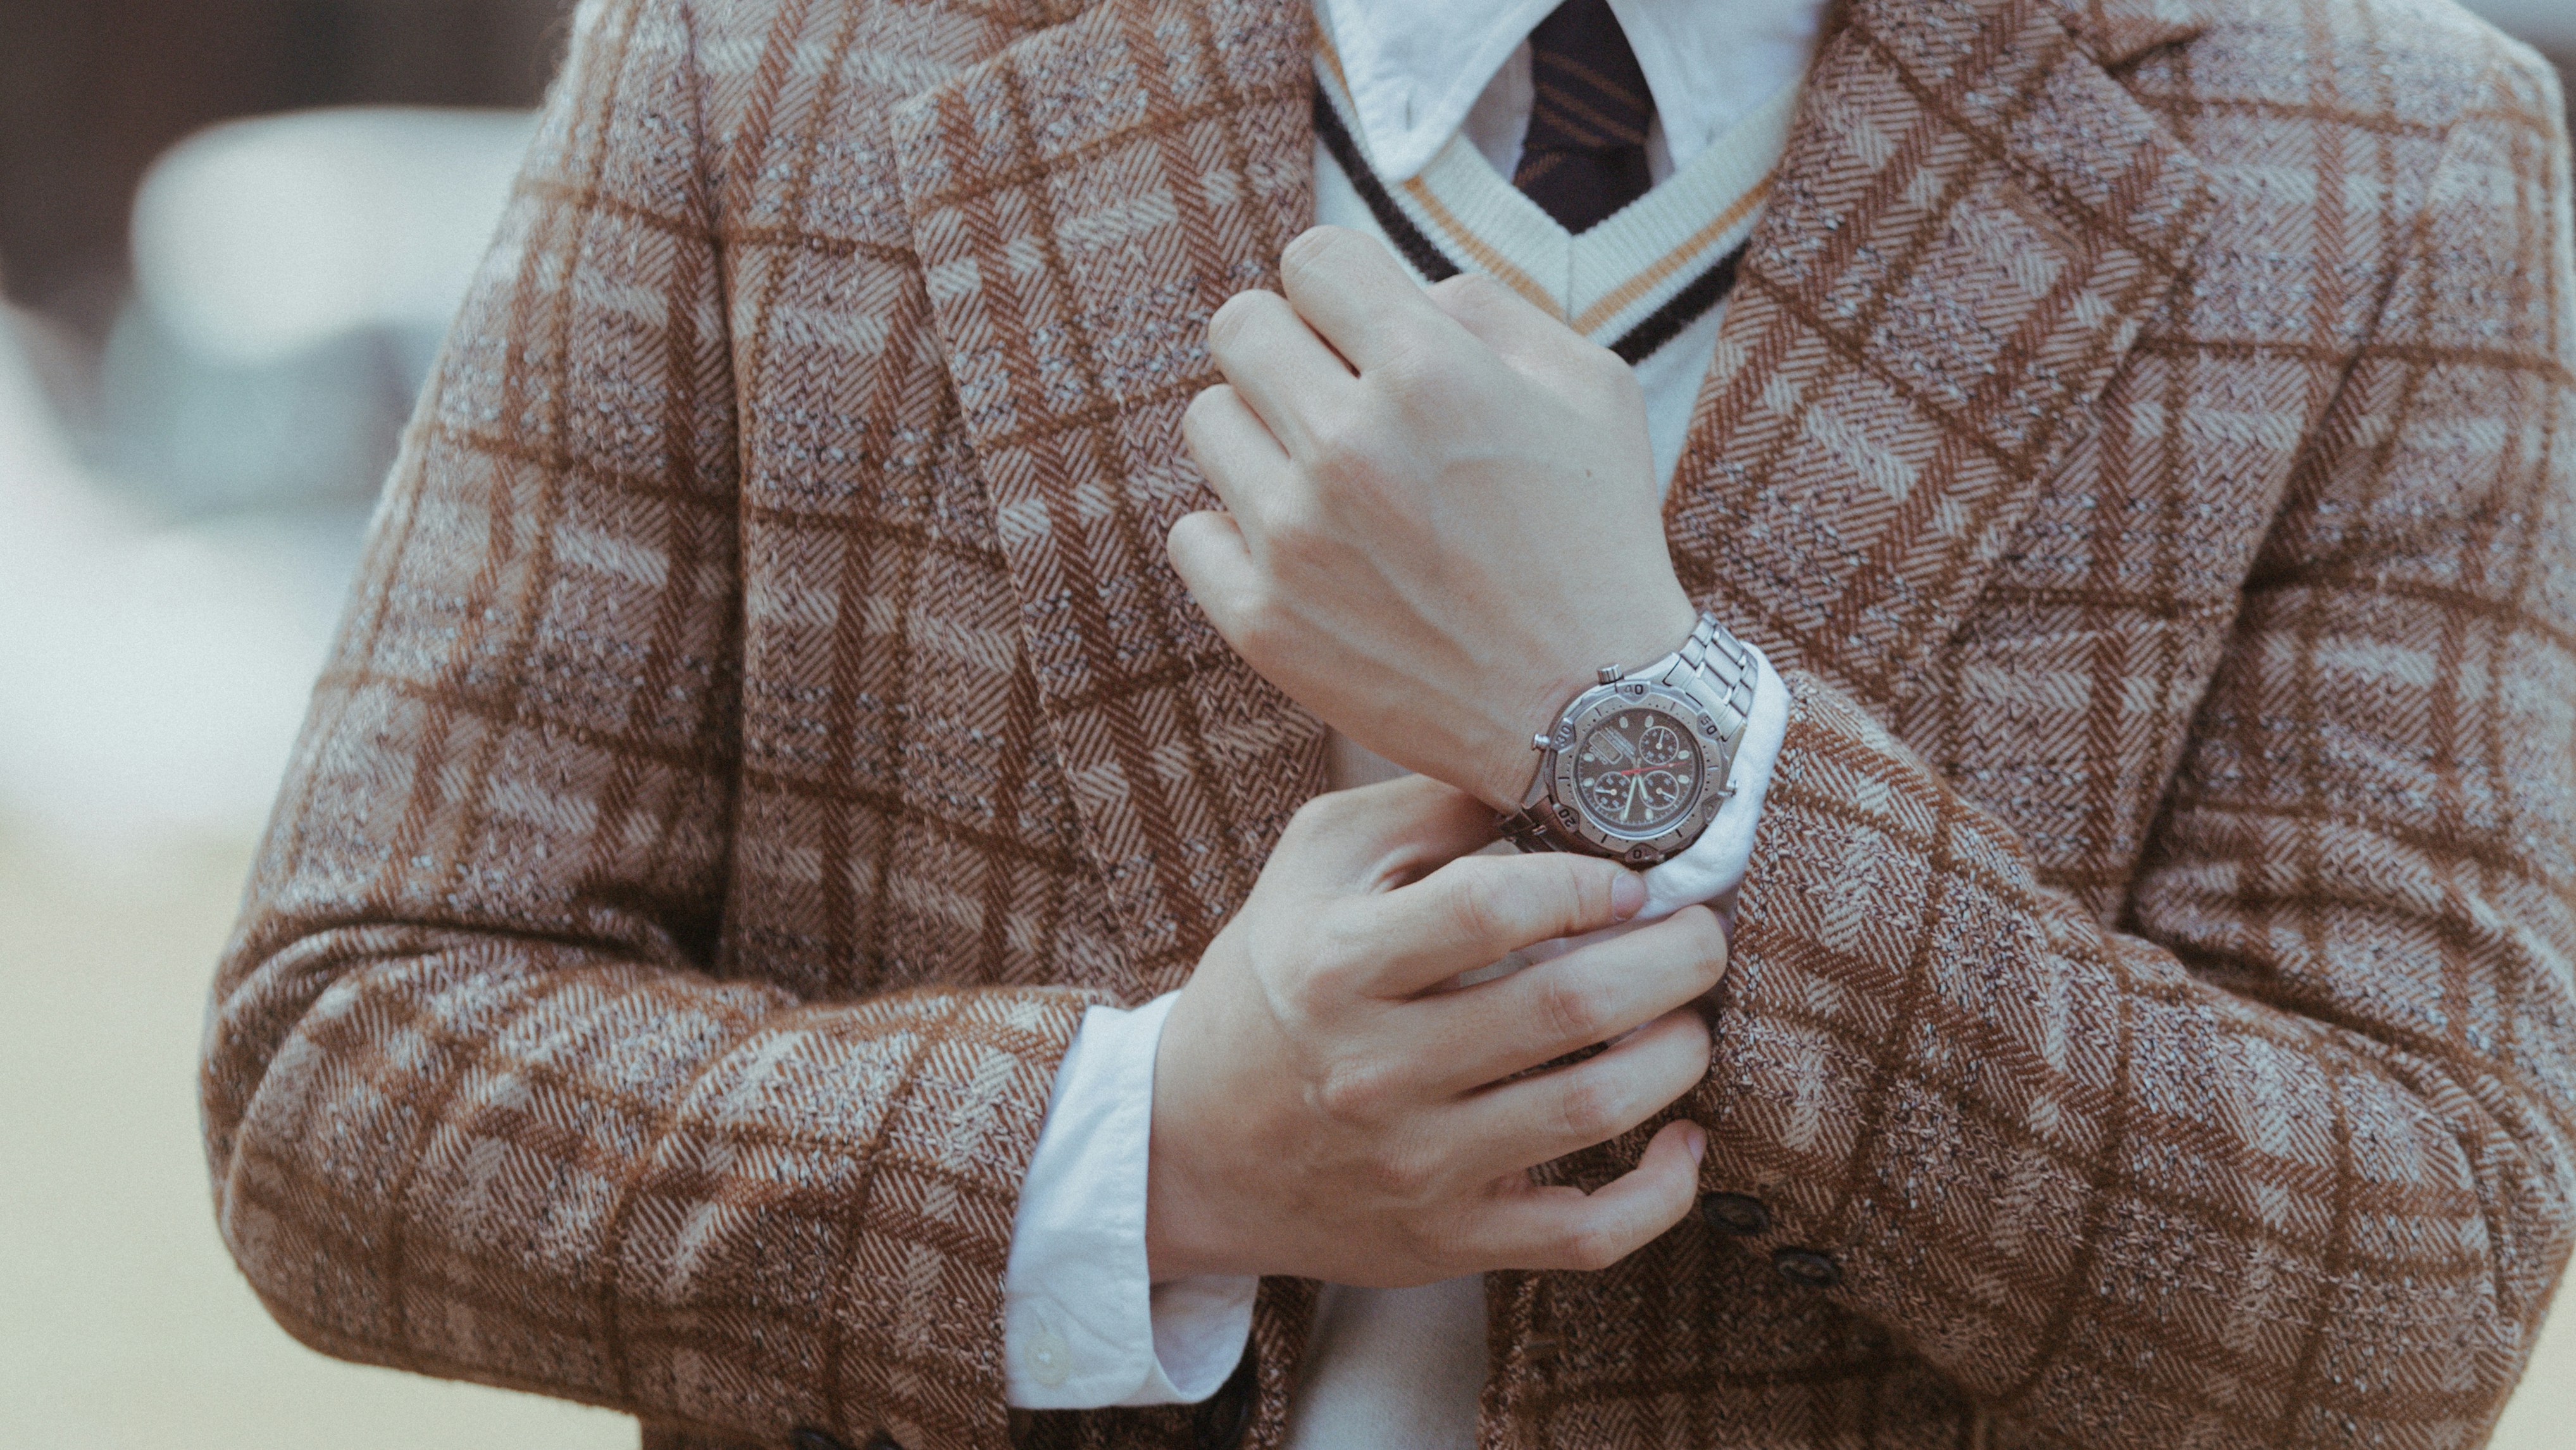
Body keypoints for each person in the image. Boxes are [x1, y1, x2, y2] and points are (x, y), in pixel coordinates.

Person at [200, 0, 2576, 1446]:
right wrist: (1152, 1156)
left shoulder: (2385, 161)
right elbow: (342, 1065)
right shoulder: (765, 53)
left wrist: (1649, 729)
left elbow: (2405, 1294)